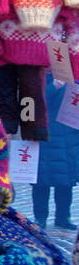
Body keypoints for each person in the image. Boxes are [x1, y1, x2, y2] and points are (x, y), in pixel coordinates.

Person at [34, 80, 78, 231]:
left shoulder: (74, 79)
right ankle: (40, 218)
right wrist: (53, 87)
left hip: (68, 137)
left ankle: (63, 217)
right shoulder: (39, 75)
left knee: (65, 182)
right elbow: (31, 101)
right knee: (41, 182)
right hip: (44, 134)